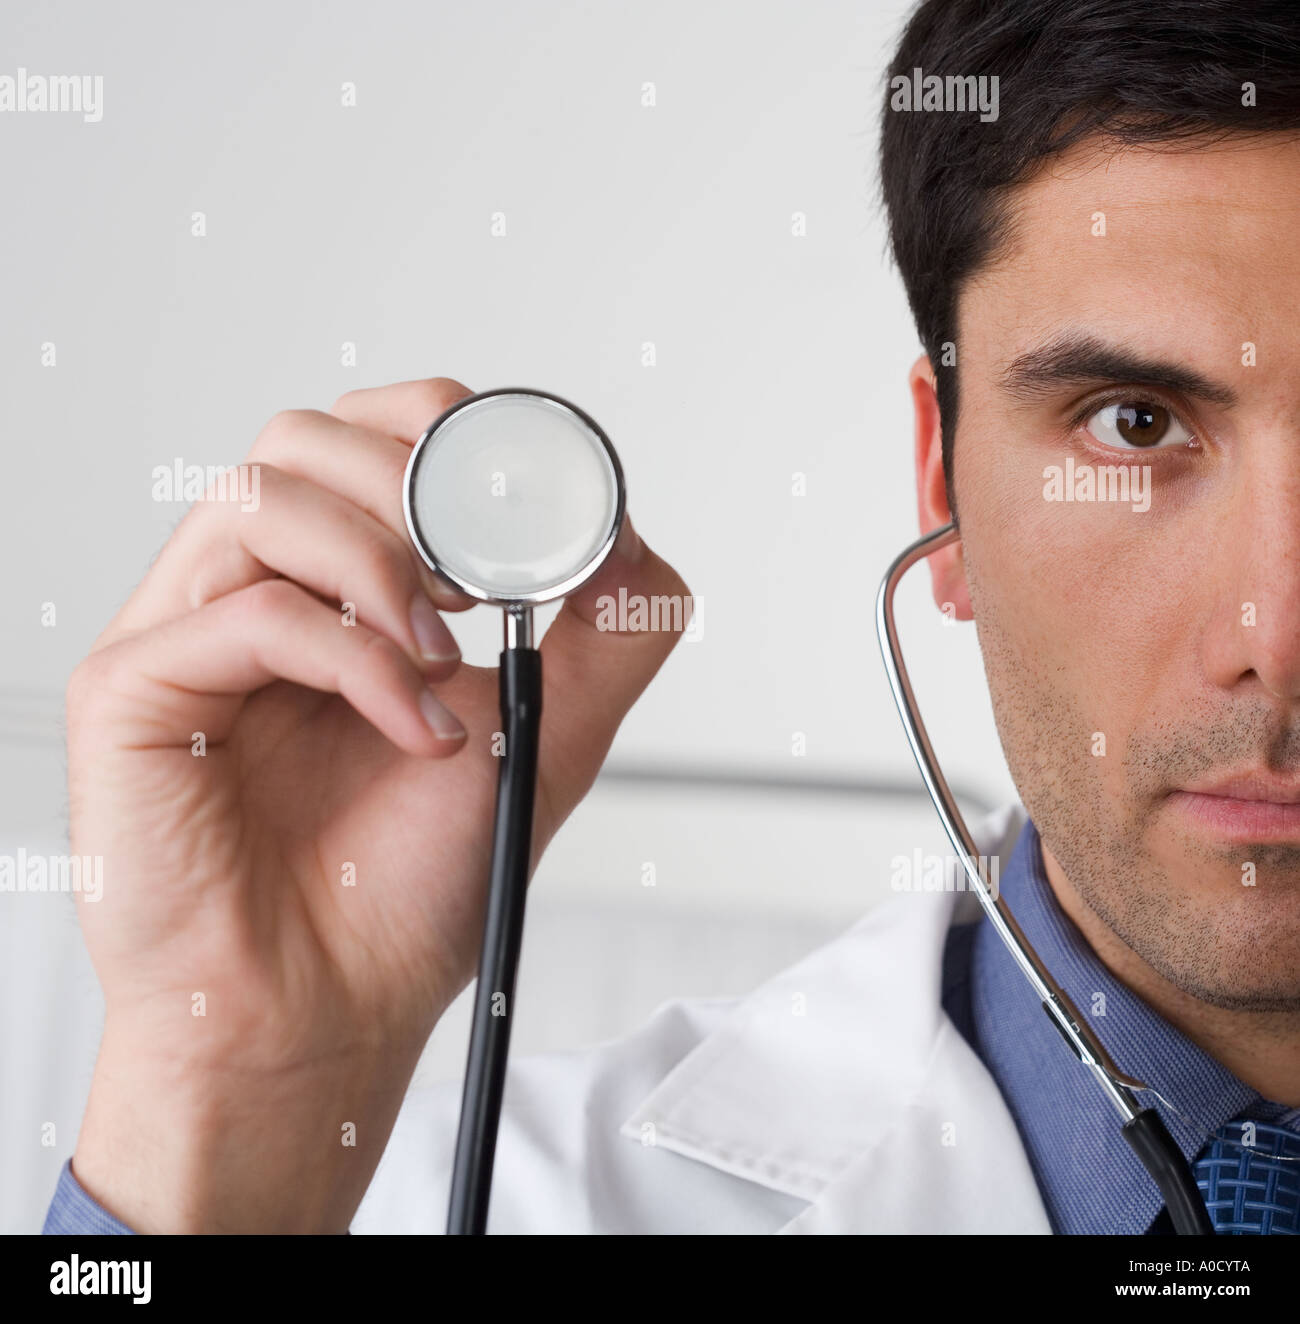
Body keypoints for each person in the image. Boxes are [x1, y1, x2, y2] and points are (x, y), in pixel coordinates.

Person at [45, 0, 1300, 1235]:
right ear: (944, 483)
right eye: (1133, 424)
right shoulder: (475, 1204)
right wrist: (231, 1112)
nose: (1272, 640)